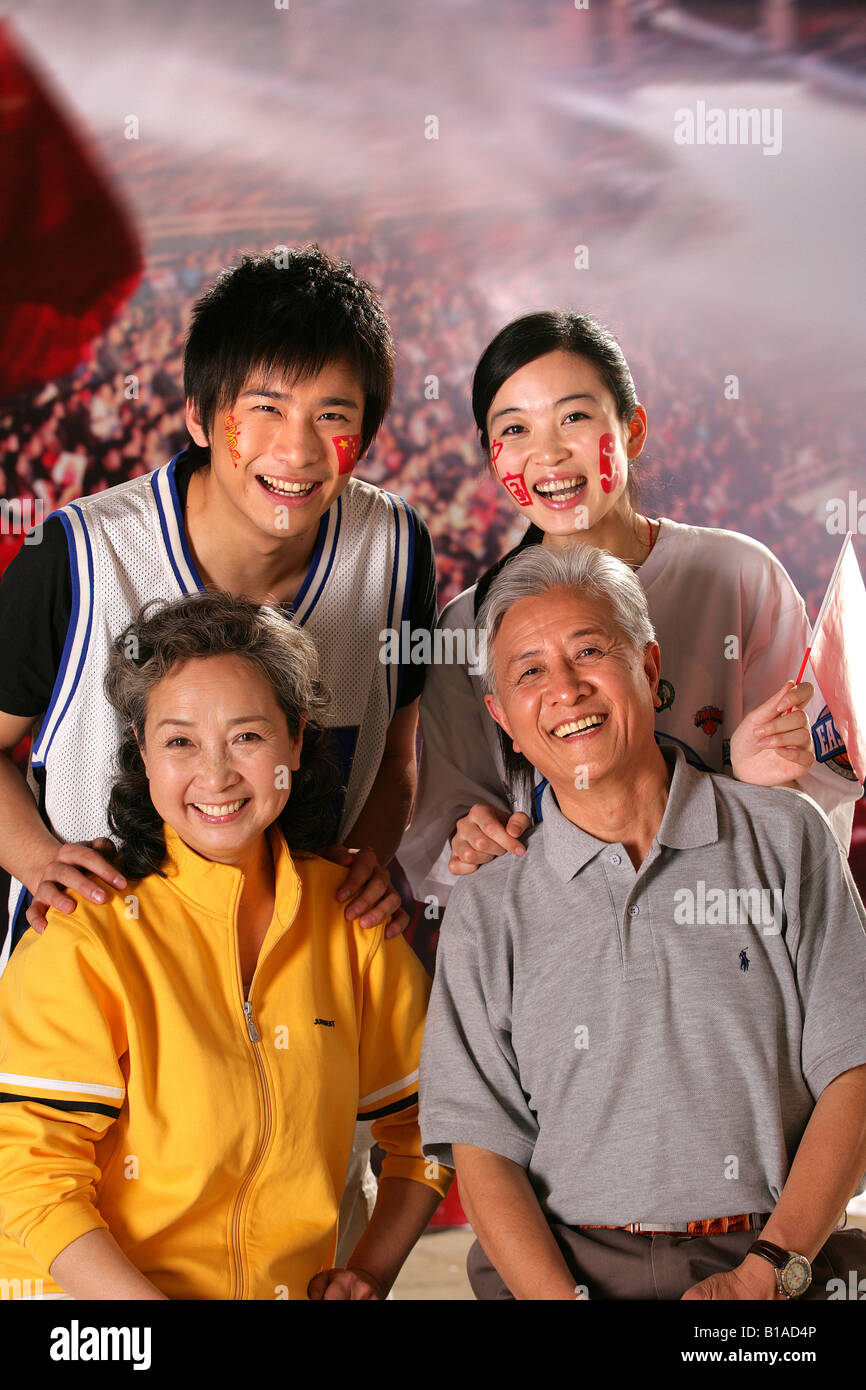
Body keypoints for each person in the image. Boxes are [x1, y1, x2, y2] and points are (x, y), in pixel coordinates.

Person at [419, 545, 866, 1301]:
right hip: (564, 1272)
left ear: (650, 668)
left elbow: (855, 1071)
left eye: (590, 652)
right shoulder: (488, 903)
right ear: (503, 720)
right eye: (529, 672)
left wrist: (766, 1273)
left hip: (774, 1263)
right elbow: (483, 1145)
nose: (565, 690)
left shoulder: (787, 838)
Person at [0, 591, 449, 1300]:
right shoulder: (85, 933)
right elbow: (27, 1179)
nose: (215, 776)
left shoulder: (355, 920)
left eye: (247, 737)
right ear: (143, 753)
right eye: (179, 741)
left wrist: (368, 1270)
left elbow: (433, 1126)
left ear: (296, 740)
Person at [0, 244, 437, 966]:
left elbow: (395, 752)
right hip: (101, 965)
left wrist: (368, 858)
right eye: (266, 409)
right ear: (200, 417)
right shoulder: (77, 554)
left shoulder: (396, 546)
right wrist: (41, 860)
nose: (297, 451)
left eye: (332, 415)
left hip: (301, 964)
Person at [399, 312, 860, 909]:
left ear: (633, 430)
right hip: (570, 934)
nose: (548, 453)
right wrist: (471, 841)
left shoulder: (740, 574)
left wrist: (758, 781)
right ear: (492, 457)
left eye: (574, 417)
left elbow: (820, 788)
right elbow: (444, 838)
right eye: (515, 429)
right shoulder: (471, 626)